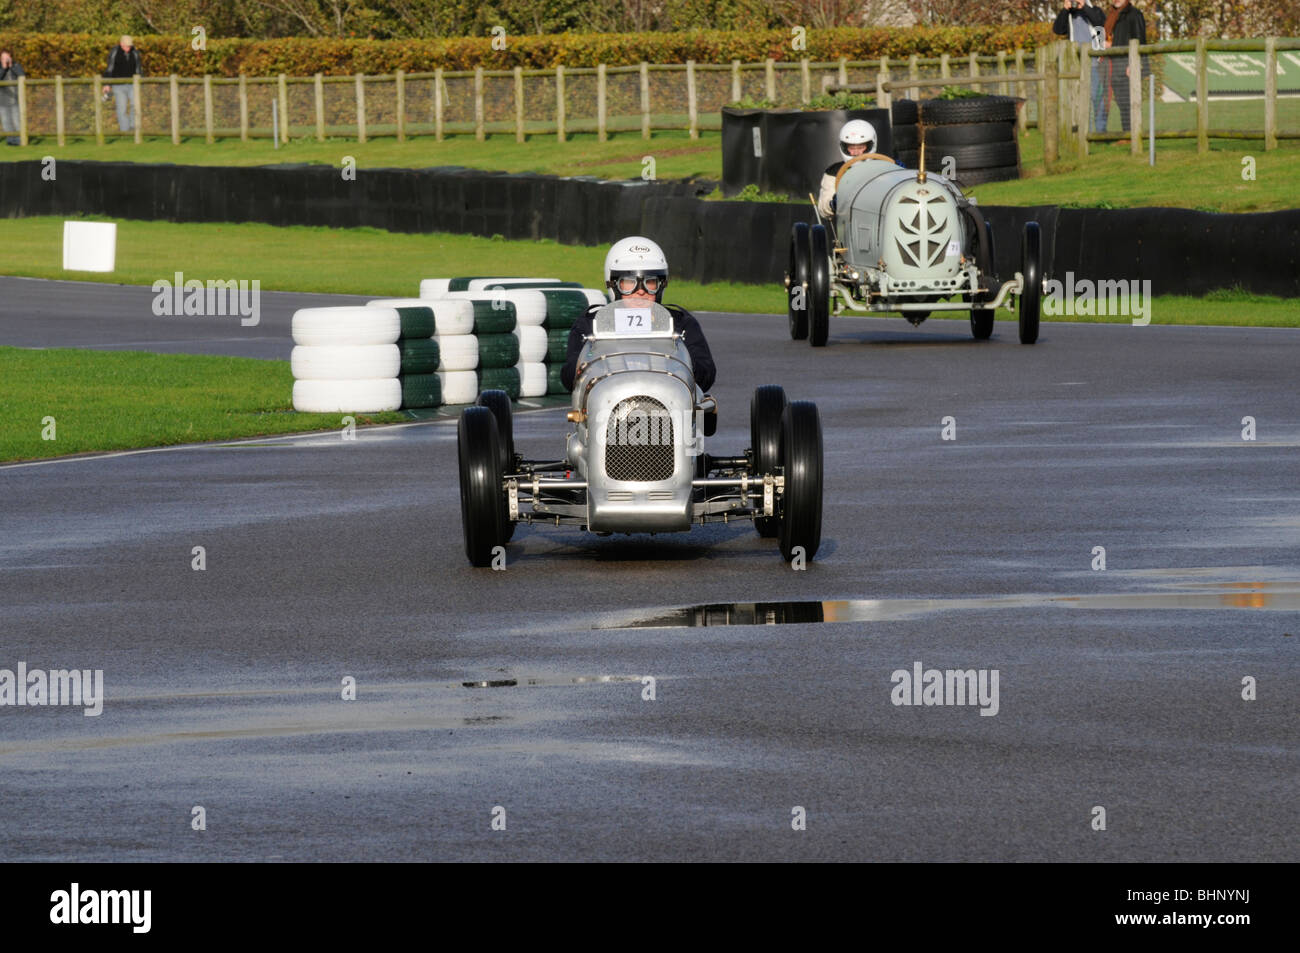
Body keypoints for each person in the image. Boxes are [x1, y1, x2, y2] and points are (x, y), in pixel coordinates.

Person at [560, 236, 716, 393]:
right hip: (610, 402)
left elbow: (706, 373)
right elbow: (568, 377)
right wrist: (583, 366)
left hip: (665, 400)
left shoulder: (679, 323)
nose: (641, 291)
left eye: (650, 282)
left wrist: (684, 365)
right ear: (613, 284)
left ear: (660, 286)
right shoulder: (592, 324)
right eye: (629, 282)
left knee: (703, 410)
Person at [1053, 2, 1109, 132]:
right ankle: (1085, 132)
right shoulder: (1069, 15)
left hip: (1094, 61)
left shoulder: (1094, 10)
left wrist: (1083, 7)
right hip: (1075, 63)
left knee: (1097, 98)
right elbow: (1058, 30)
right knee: (1079, 99)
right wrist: (1065, 10)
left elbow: (1101, 23)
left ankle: (1101, 132)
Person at [1105, 0, 1148, 139]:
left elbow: (1140, 39)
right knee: (1122, 102)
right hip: (1116, 63)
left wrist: (1134, 63)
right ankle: (1127, 134)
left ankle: (1131, 135)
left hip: (1128, 64)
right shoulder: (1112, 15)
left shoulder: (1134, 14)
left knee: (1130, 102)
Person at [817, 119, 877, 218]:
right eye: (852, 148)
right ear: (844, 147)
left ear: (870, 145)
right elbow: (823, 208)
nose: (856, 153)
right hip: (847, 222)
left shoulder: (884, 167)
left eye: (860, 147)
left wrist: (899, 174)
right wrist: (833, 204)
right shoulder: (834, 172)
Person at [102, 35, 143, 133]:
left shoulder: (135, 53)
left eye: (130, 46)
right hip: (118, 85)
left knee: (135, 105)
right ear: (121, 44)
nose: (128, 48)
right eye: (126, 46)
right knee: (122, 109)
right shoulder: (115, 52)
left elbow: (138, 69)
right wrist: (107, 84)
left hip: (132, 85)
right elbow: (110, 68)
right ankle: (125, 132)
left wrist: (139, 82)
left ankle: (134, 128)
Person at [0, 49, 23, 146]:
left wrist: (11, 67)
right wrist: (4, 68)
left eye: (7, 57)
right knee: (6, 122)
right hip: (2, 100)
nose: (5, 59)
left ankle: (20, 140)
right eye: (3, 58)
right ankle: (10, 140)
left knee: (17, 121)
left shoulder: (16, 66)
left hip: (16, 99)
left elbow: (22, 75)